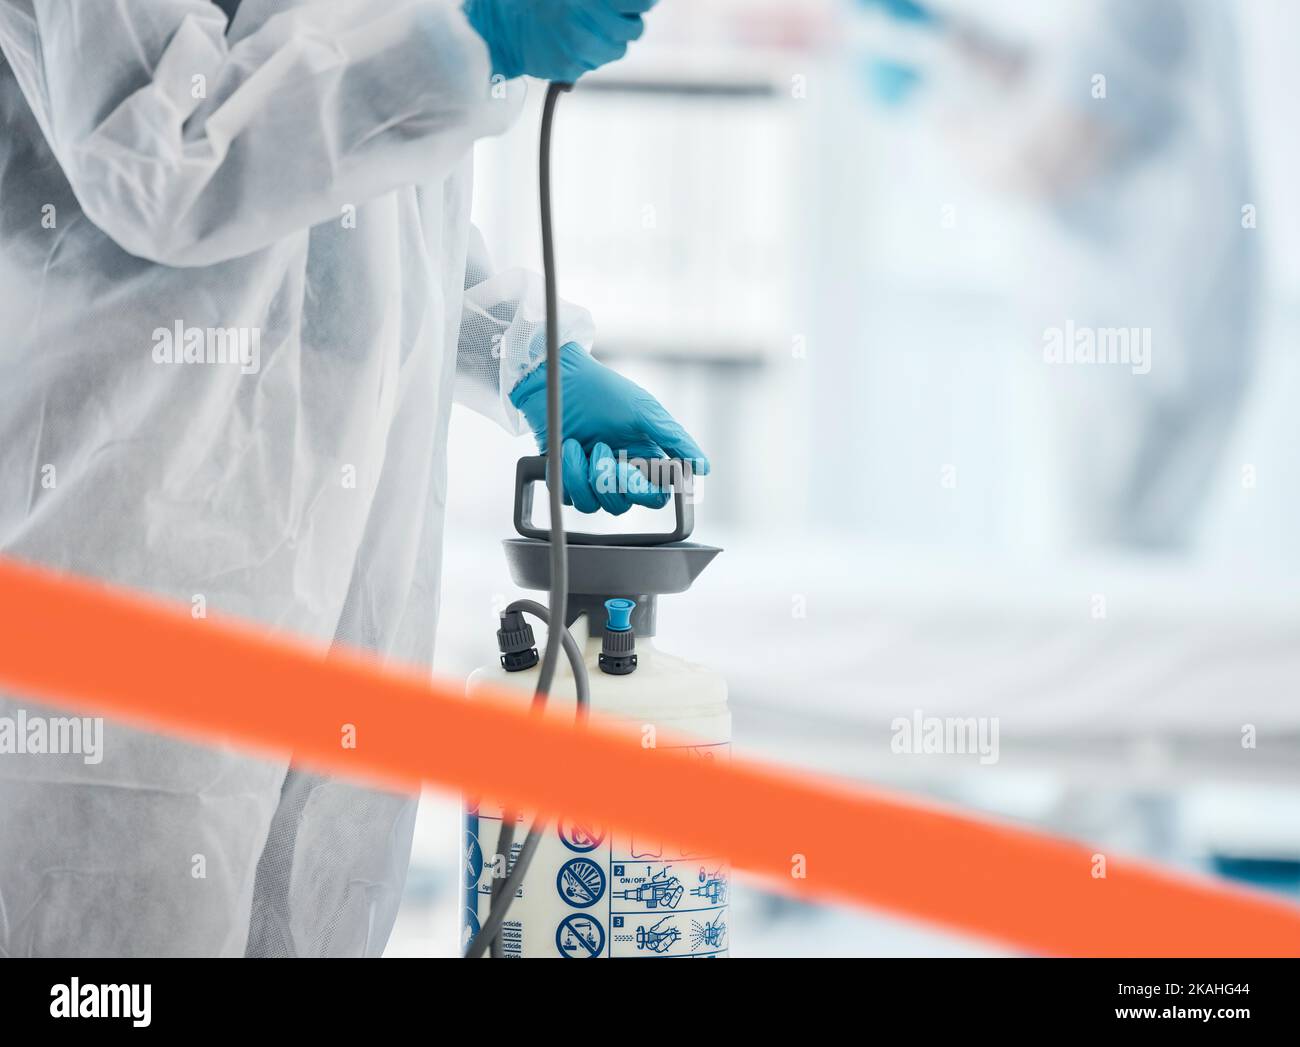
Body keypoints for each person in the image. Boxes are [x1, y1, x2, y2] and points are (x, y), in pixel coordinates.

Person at [0, 0, 704, 957]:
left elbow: (355, 217)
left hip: (339, 564)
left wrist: (518, 356)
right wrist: (470, 36)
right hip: (128, 547)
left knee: (311, 908)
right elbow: (157, 154)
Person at [851, 0, 1257, 548]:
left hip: (1132, 343)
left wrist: (928, 102)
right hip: (1171, 325)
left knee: (1106, 562)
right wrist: (952, 37)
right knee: (1133, 555)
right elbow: (1074, 78)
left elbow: (1042, 160)